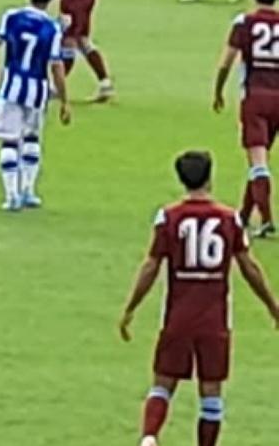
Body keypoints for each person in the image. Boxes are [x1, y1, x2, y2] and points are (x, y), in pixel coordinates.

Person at [119, 150, 279, 446]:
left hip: (178, 317)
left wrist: (131, 307)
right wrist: (272, 306)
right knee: (211, 392)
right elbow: (249, 268)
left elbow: (151, 266)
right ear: (210, 177)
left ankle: (149, 437)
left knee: (163, 383)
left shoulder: (169, 217)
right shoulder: (229, 218)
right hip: (214, 321)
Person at [0, 0, 71, 211]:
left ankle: (11, 195)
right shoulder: (52, 28)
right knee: (32, 138)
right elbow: (56, 65)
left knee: (9, 140)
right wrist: (64, 99)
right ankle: (28, 191)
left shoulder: (11, 17)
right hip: (37, 91)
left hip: (11, 88)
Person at [213, 0, 279, 238]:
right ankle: (244, 214)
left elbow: (226, 62)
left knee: (257, 160)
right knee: (260, 156)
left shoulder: (244, 22)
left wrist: (218, 91)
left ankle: (267, 220)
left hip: (255, 96)